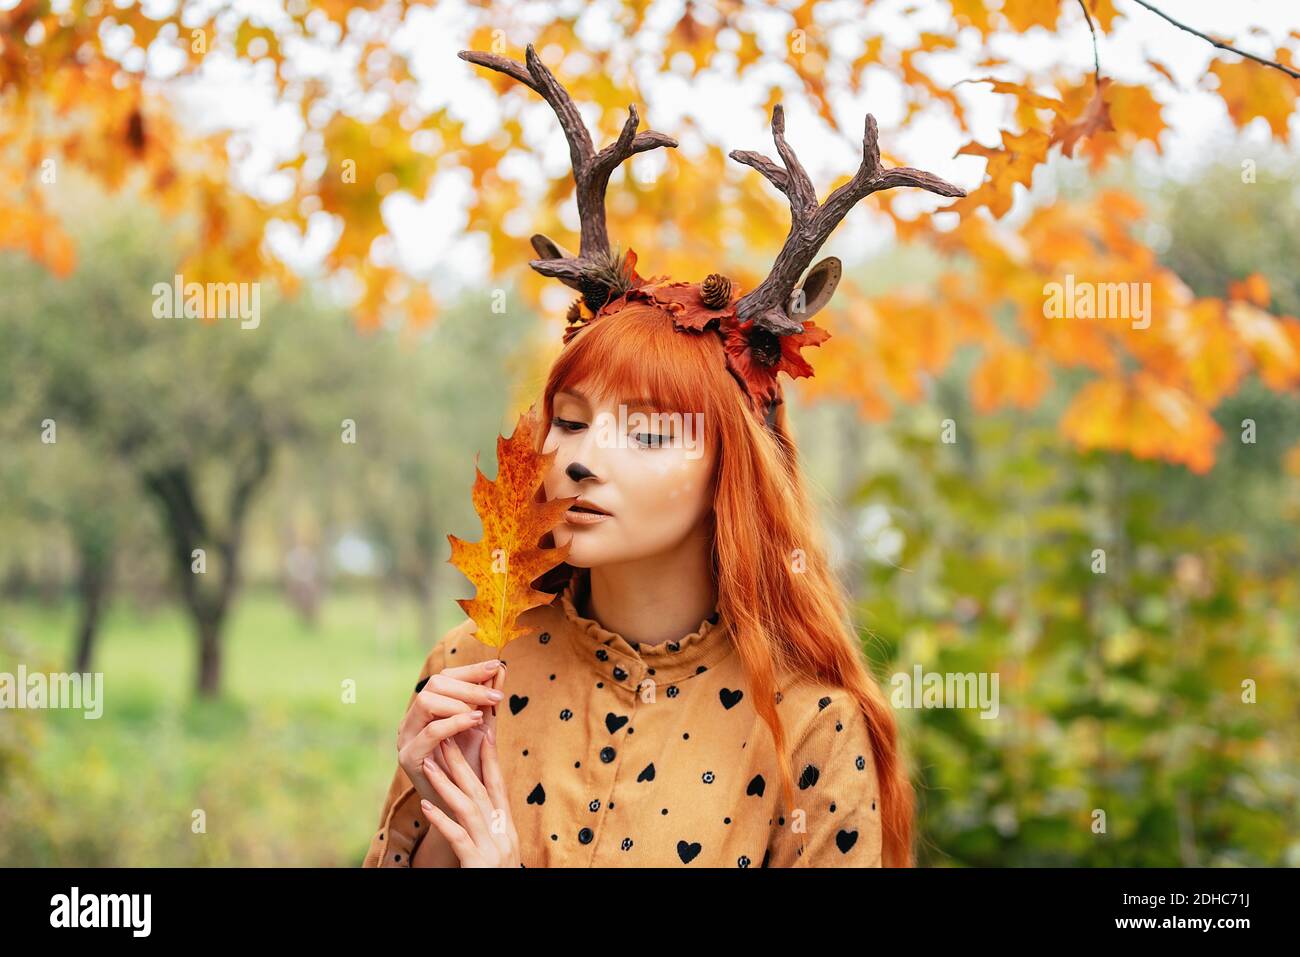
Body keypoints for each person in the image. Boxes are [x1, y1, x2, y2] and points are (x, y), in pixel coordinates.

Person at [361, 43, 963, 869]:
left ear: (731, 472)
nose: (577, 459)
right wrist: (436, 809)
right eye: (568, 422)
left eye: (647, 432)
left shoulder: (811, 729)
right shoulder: (472, 672)